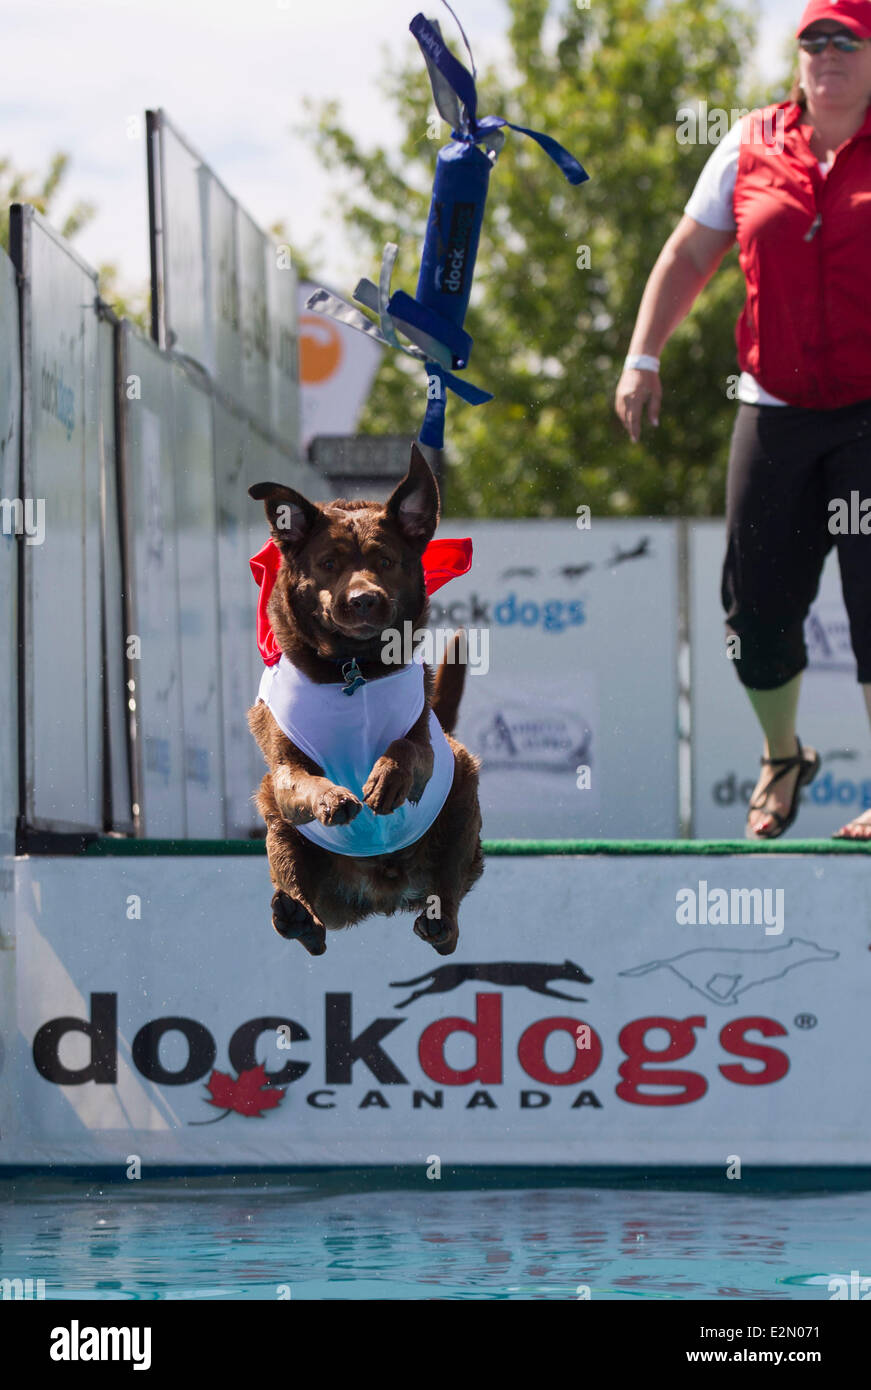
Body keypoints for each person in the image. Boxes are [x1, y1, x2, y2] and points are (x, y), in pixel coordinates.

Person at [615, 0, 871, 840]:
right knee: (755, 612)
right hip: (775, 406)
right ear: (797, 58)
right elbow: (690, 253)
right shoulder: (750, 144)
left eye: (847, 38)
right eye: (812, 39)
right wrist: (642, 355)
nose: (827, 52)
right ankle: (782, 753)